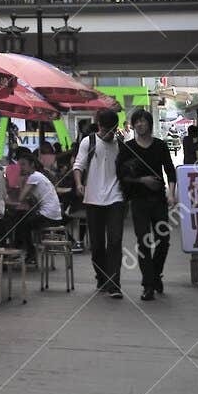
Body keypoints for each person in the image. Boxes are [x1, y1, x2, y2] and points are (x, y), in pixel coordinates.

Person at [119, 108, 177, 301]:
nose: (139, 124)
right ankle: (148, 285)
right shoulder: (127, 148)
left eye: (143, 121)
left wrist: (171, 193)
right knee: (144, 242)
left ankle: (155, 275)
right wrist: (142, 181)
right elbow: (122, 176)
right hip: (138, 201)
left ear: (149, 124)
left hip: (159, 200)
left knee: (164, 240)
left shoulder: (160, 145)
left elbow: (170, 170)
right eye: (136, 121)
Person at [73, 107, 127, 297]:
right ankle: (101, 277)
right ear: (99, 127)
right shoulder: (89, 142)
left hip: (116, 198)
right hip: (93, 198)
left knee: (115, 240)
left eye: (113, 130)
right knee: (97, 244)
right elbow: (78, 165)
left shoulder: (120, 144)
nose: (109, 135)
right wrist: (79, 184)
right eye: (106, 131)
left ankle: (114, 284)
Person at [6, 147, 64, 266]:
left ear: (32, 165)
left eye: (23, 165)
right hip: (53, 213)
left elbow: (21, 198)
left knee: (23, 223)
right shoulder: (37, 175)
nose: (20, 168)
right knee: (21, 218)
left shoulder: (34, 177)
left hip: (48, 215)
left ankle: (27, 252)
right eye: (19, 165)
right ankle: (22, 250)